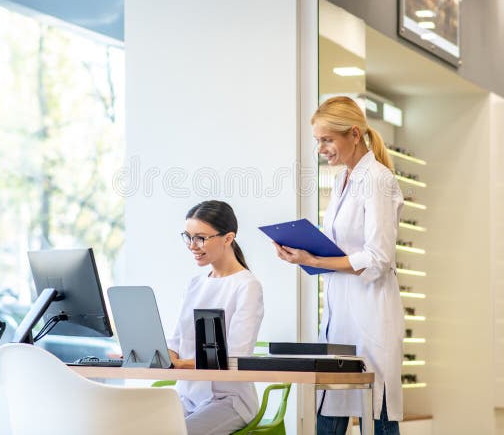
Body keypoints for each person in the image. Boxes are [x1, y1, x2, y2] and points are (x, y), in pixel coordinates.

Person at [273, 96, 405, 435]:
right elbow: (343, 245)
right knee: (329, 411)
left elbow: (378, 258)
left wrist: (315, 259)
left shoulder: (378, 179)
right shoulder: (341, 180)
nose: (321, 148)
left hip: (372, 316)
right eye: (318, 140)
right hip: (339, 316)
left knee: (377, 415)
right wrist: (303, 252)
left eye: (327, 139)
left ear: (354, 134)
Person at [167, 200, 265, 435]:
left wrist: (182, 364)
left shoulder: (247, 285)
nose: (192, 245)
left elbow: (236, 357)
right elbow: (175, 343)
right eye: (188, 237)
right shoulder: (195, 284)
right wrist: (157, 356)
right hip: (187, 397)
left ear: (228, 238)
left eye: (200, 238)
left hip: (229, 400)